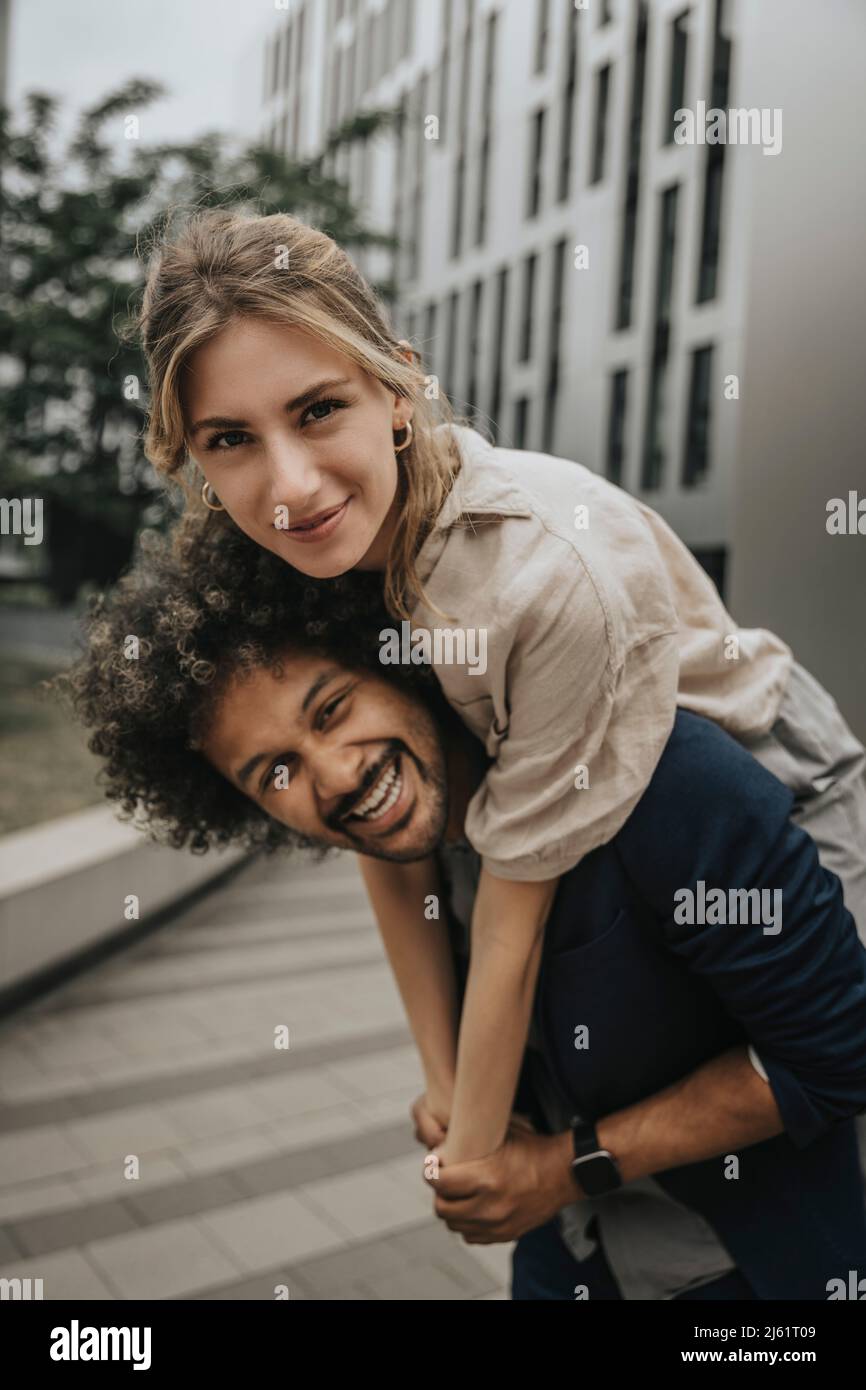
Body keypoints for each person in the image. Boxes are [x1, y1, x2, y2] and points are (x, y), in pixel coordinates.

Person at [132, 206, 866, 1171]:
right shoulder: (322, 549)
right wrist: (444, 1084)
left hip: (766, 796)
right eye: (230, 440)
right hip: (582, 818)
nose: (292, 485)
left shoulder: (544, 579)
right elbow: (386, 844)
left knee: (809, 1102)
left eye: (318, 410)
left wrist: (474, 1163)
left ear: (397, 386)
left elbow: (511, 923)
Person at [57, 519, 866, 1300]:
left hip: (751, 1269)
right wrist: (467, 1112)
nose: (333, 777)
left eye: (332, 709)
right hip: (573, 1258)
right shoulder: (416, 848)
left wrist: (566, 1166)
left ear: (401, 663)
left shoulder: (666, 782)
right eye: (273, 773)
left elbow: (835, 1054)